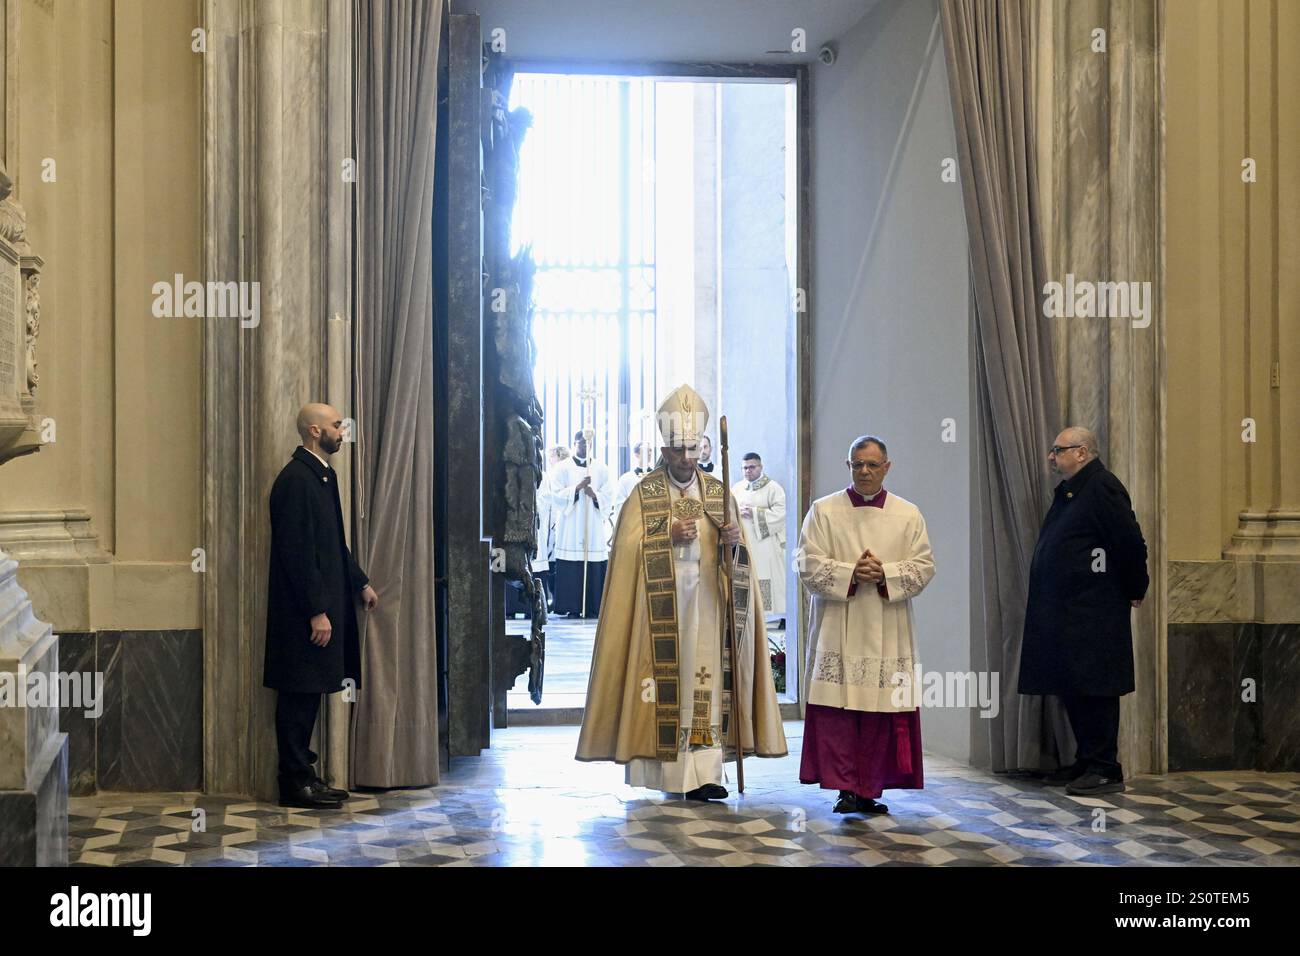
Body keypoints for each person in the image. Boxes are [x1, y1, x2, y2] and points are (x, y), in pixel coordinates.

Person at [577, 384, 787, 800]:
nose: (686, 458)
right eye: (677, 449)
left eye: (693, 448)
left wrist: (733, 543)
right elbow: (623, 556)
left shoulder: (717, 491)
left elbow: (738, 561)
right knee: (664, 685)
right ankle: (667, 774)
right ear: (665, 447)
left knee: (706, 682)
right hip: (660, 611)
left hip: (707, 603)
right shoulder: (645, 493)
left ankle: (707, 774)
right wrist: (664, 536)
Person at [796, 435, 933, 815]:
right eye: (858, 464)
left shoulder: (908, 514)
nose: (865, 471)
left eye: (873, 465)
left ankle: (870, 789)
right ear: (848, 466)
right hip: (839, 624)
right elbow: (806, 563)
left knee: (879, 713)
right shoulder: (824, 511)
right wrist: (851, 573)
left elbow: (924, 566)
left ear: (887, 467)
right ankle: (844, 788)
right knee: (839, 712)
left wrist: (885, 573)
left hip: (888, 627)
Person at [1019, 426, 1148, 796]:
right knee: (1074, 685)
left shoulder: (1103, 486)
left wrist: (1135, 586)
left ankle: (1106, 768)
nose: (1051, 457)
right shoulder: (1073, 490)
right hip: (1067, 610)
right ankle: (1087, 760)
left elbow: (1129, 541)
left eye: (1058, 450)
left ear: (1082, 452)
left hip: (1093, 610)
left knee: (1096, 687)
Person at [264, 403, 379, 809]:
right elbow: (296, 552)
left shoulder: (320, 476)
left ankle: (306, 777)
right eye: (335, 425)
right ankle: (294, 783)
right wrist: (316, 609)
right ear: (315, 431)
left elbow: (332, 544)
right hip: (301, 616)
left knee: (309, 694)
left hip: (318, 610)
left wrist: (359, 581)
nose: (342, 431)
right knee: (298, 695)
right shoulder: (297, 479)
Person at [549, 430, 616, 617]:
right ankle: (571, 605)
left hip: (592, 524)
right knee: (572, 564)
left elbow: (609, 495)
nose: (585, 446)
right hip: (570, 524)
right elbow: (555, 495)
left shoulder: (601, 469)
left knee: (592, 564)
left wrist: (594, 495)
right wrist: (577, 488)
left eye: (588, 443)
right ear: (575, 443)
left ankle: (592, 606)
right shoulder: (562, 468)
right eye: (581, 443)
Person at [732, 452, 787, 624]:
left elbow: (781, 514)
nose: (748, 471)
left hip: (765, 544)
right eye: (745, 468)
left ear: (760, 467)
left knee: (764, 575)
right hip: (743, 543)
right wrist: (737, 513)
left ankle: (769, 617)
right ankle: (747, 614)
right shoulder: (737, 488)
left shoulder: (773, 488)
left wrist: (754, 513)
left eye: (752, 467)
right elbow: (729, 510)